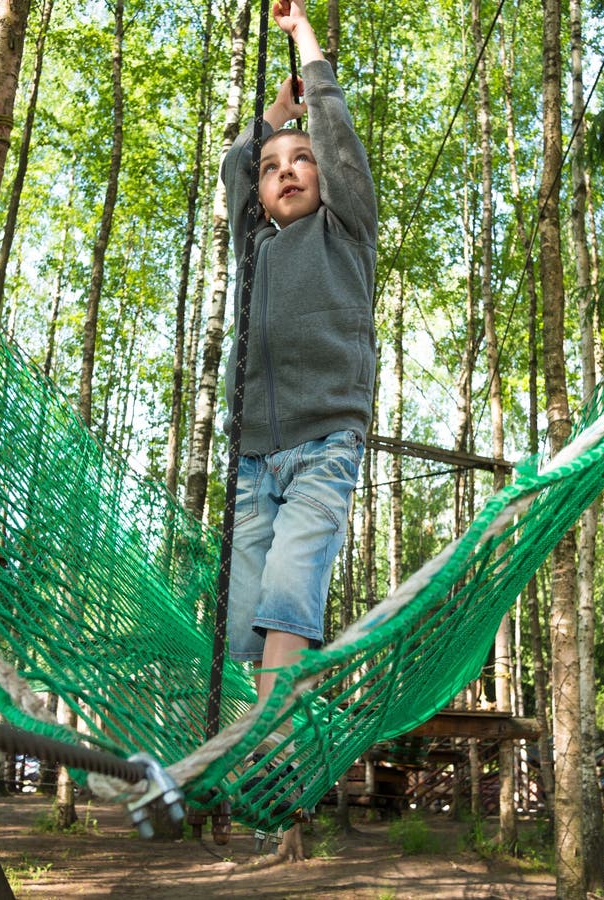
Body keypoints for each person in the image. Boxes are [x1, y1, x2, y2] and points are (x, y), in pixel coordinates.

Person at [221, 0, 377, 769]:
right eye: (272, 167)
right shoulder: (251, 244)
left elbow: (337, 136)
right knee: (243, 611)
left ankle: (271, 736)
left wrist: (300, 41)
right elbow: (233, 169)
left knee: (291, 577)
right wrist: (269, 116)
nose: (284, 173)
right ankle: (263, 714)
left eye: (299, 160)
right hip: (251, 455)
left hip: (326, 440)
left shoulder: (344, 227)